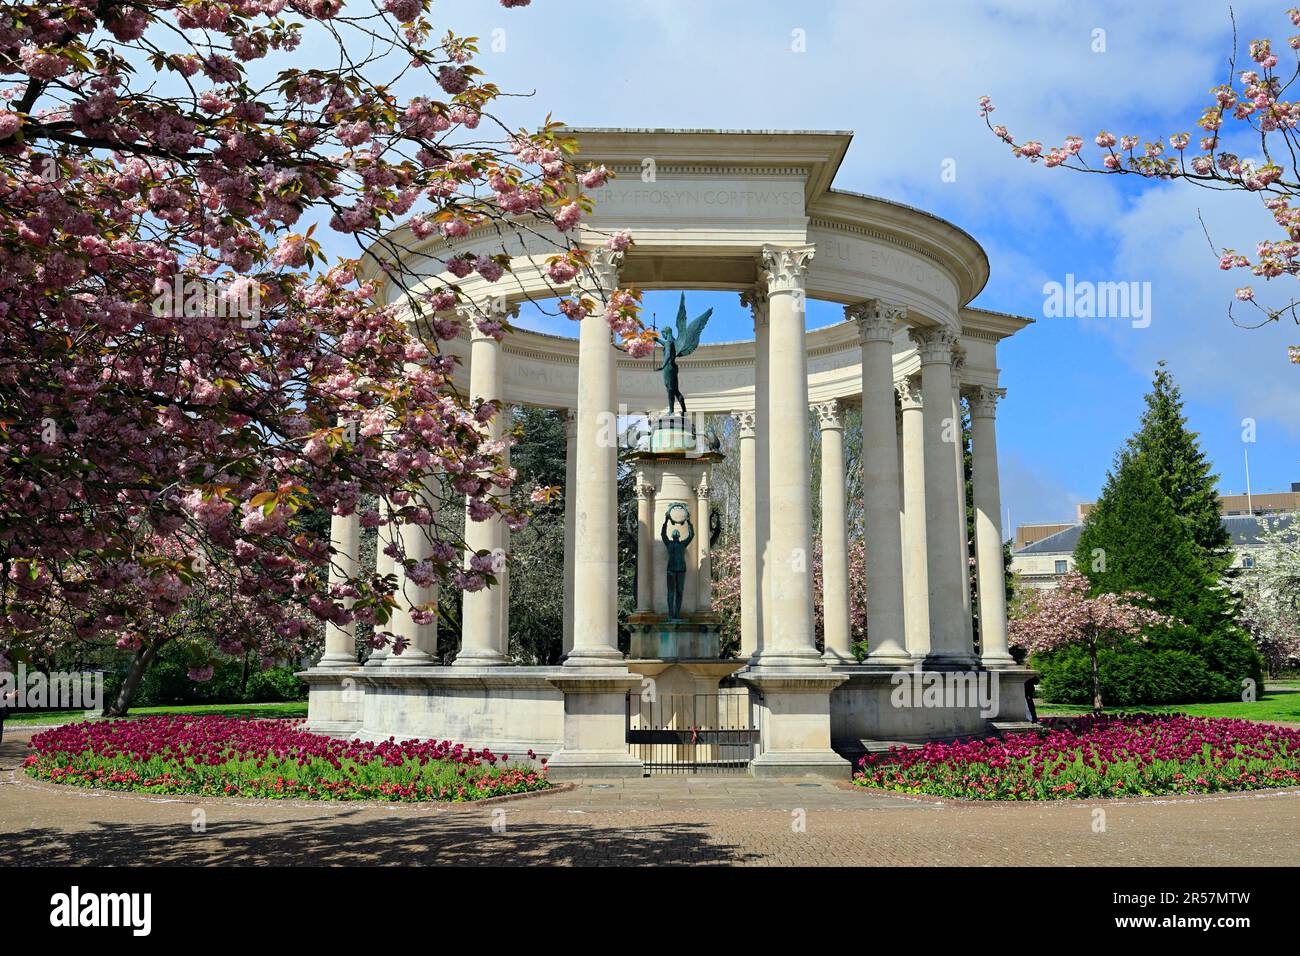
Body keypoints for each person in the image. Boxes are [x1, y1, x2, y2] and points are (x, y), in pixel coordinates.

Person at [661, 510, 694, 621]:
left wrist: (689, 522)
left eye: (676, 534)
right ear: (673, 536)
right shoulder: (669, 543)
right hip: (671, 570)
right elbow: (663, 534)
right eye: (674, 534)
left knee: (679, 592)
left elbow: (691, 535)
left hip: (680, 570)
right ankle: (671, 614)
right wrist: (666, 521)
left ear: (678, 536)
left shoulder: (682, 544)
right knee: (671, 592)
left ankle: (677, 614)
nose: (675, 535)